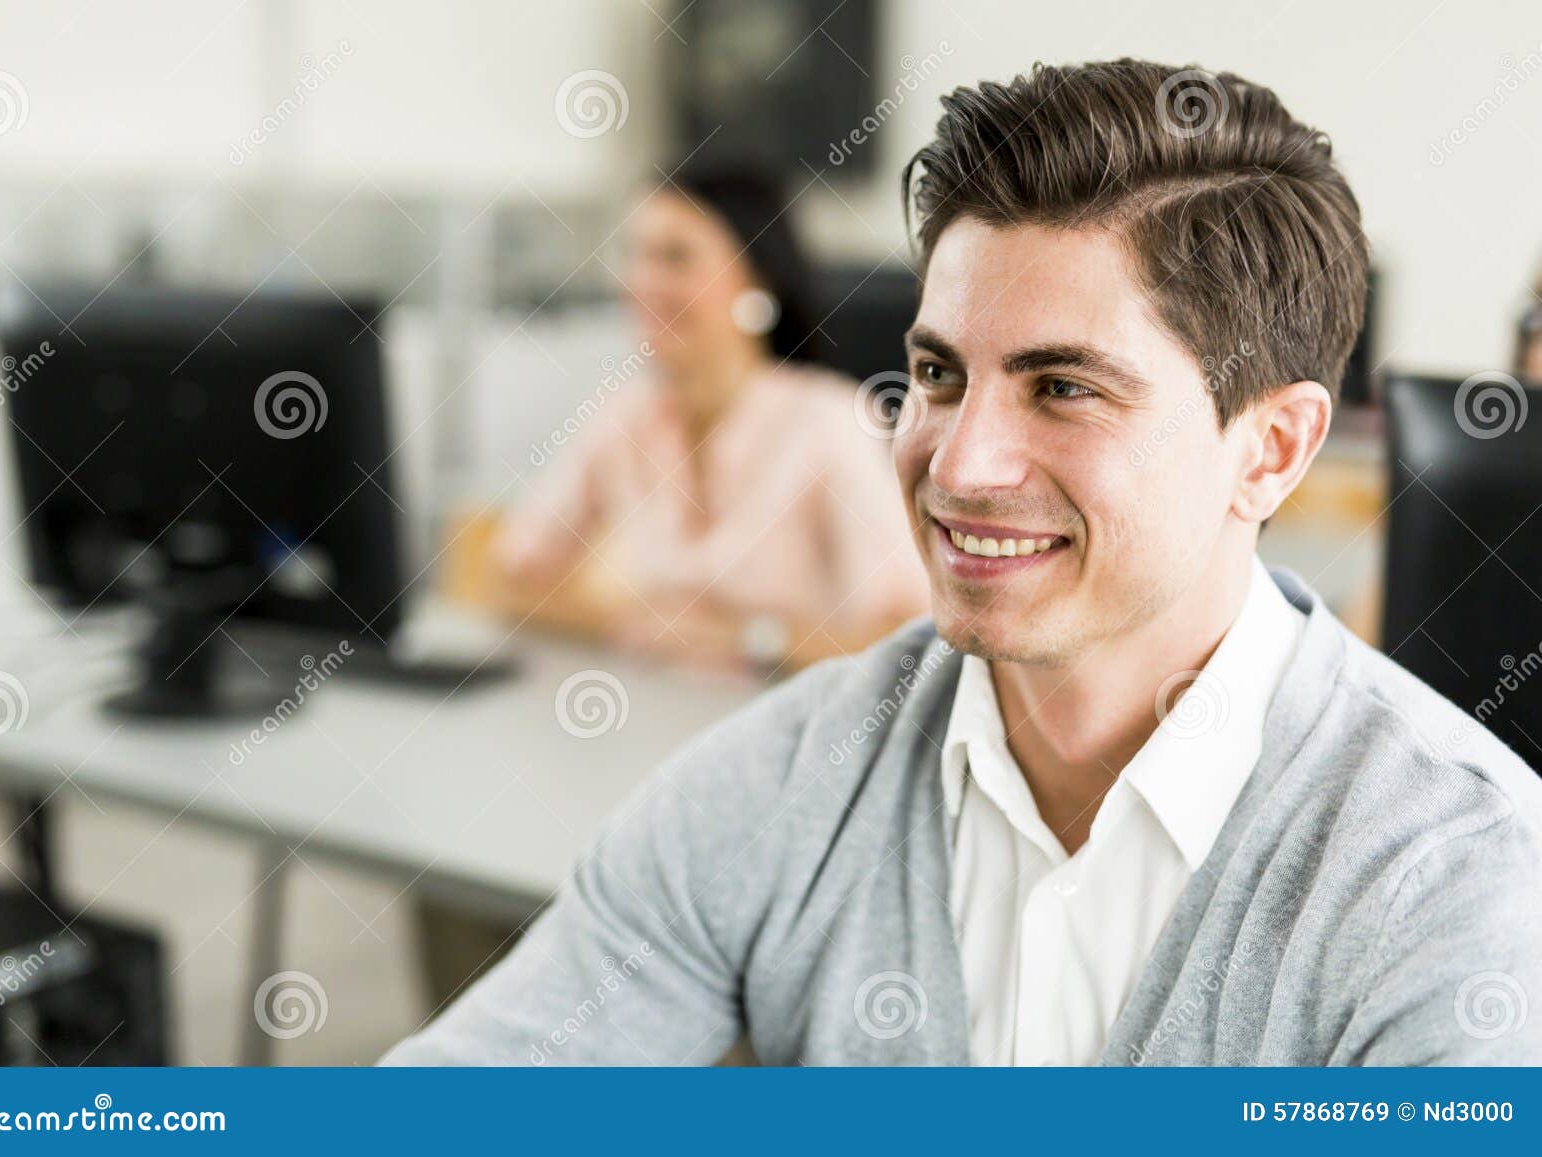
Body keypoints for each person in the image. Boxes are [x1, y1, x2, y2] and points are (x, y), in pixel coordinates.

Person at [384, 59, 1542, 1066]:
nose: (958, 463)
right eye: (939, 375)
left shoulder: (1454, 878)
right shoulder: (782, 783)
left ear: (1272, 449)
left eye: (1064, 387)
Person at [491, 166, 927, 669]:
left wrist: (747, 639)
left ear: (756, 280)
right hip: (656, 715)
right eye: (637, 255)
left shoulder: (830, 422)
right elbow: (512, 577)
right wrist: (643, 624)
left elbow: (909, 634)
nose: (641, 281)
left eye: (675, 257)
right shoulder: (626, 415)